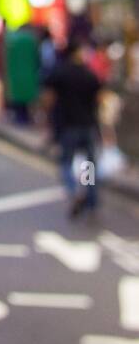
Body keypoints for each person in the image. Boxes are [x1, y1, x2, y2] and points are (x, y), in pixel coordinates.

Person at [41, 40, 102, 218]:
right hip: (89, 125)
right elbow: (99, 100)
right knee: (88, 165)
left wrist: (47, 120)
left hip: (68, 126)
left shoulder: (59, 73)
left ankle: (74, 192)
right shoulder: (90, 74)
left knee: (66, 163)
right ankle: (89, 198)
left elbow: (48, 98)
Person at [3, 22, 41, 126]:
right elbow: (37, 58)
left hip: (15, 74)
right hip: (29, 73)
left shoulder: (12, 39)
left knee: (18, 98)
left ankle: (20, 117)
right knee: (27, 97)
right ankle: (24, 117)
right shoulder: (31, 40)